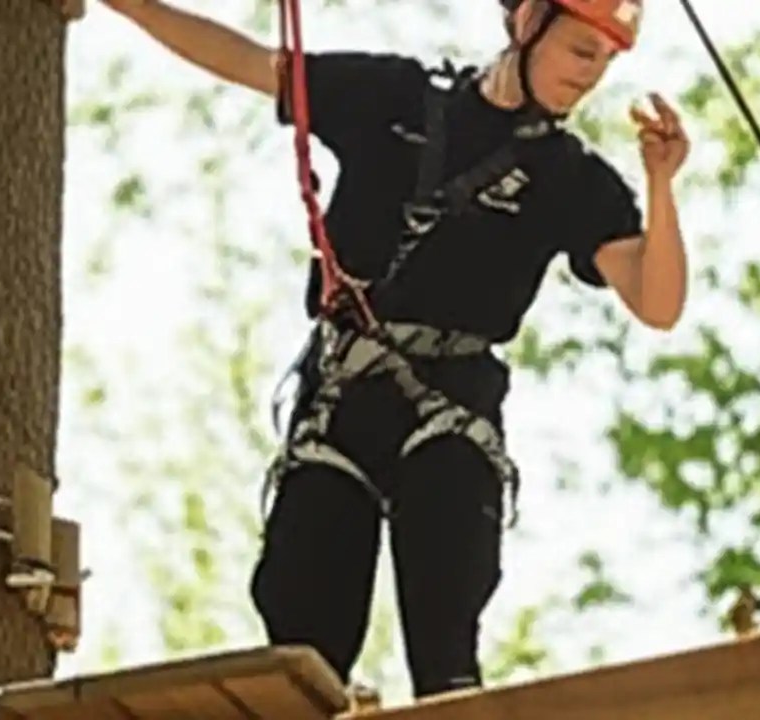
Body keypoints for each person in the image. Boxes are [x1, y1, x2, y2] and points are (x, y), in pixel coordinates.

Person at [99, 0, 689, 700]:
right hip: (340, 402)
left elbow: (657, 304)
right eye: (581, 52)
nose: (591, 77)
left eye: (607, 62)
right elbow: (252, 64)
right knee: (302, 641)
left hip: (452, 411)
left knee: (445, 634)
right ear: (528, 20)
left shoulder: (573, 180)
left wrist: (660, 184)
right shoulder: (394, 99)